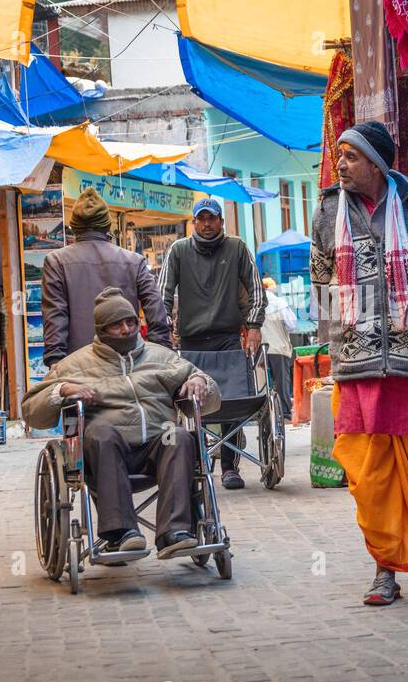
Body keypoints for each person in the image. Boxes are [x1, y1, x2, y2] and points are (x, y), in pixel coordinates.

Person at [310, 120, 408, 606]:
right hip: (358, 365)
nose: (341, 165)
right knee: (369, 474)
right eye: (340, 156)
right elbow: (323, 284)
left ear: (376, 162)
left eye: (350, 157)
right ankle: (385, 567)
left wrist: (405, 320)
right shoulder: (328, 210)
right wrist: (345, 335)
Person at [22, 288, 221, 557]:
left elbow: (206, 388)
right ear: (102, 329)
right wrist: (63, 390)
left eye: (130, 322)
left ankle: (174, 532)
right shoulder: (74, 365)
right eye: (117, 325)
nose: (127, 329)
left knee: (179, 436)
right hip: (105, 453)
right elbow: (32, 411)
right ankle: (120, 533)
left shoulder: (160, 356)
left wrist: (199, 382)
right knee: (102, 432)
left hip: (155, 447)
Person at [158, 197, 265, 490]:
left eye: (212, 218)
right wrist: (162, 329)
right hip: (191, 342)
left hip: (228, 338)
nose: (207, 224)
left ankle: (230, 466)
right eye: (201, 219)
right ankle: (196, 461)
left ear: (220, 221)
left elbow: (256, 288)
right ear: (194, 222)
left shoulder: (237, 248)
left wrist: (254, 326)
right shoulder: (178, 251)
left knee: (232, 399)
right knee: (190, 403)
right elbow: (162, 295)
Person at [42, 187, 171, 368]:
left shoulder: (56, 261)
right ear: (106, 225)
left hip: (78, 367)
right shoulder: (133, 261)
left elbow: (55, 315)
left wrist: (55, 362)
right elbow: (156, 310)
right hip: (128, 362)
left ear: (75, 226)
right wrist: (159, 352)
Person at [260, 276, 297, 420]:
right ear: (272, 289)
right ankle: (285, 414)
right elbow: (292, 325)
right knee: (282, 383)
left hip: (261, 351)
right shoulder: (280, 303)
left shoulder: (255, 305)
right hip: (278, 348)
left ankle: (265, 415)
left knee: (263, 384)